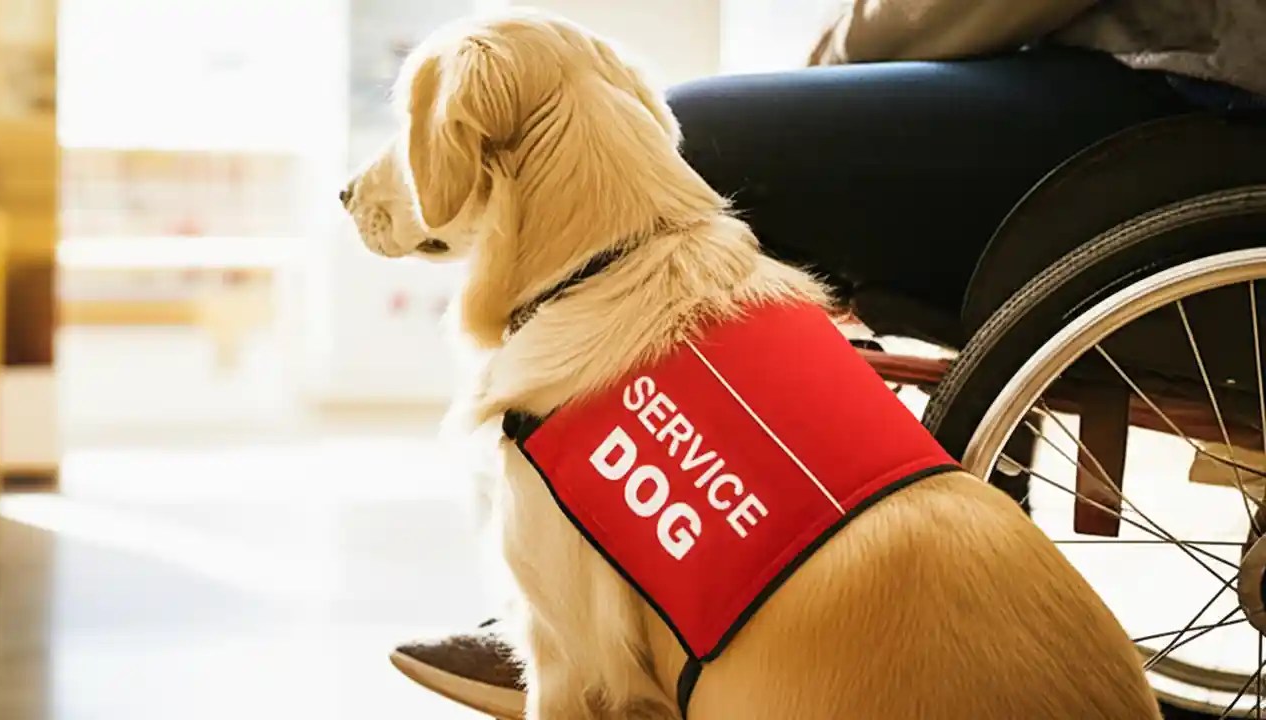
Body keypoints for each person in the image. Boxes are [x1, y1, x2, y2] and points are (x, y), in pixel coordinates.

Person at [390, 0, 1266, 716]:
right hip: (1194, 90)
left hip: (1188, 91)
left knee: (716, 130)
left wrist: (841, 52)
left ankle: (610, 609)